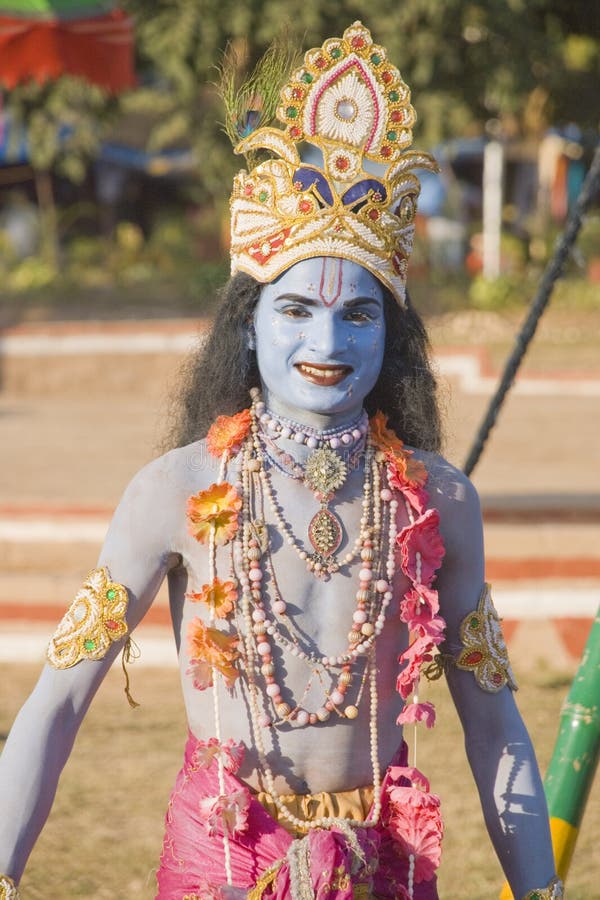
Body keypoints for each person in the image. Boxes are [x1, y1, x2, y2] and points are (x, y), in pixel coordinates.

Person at [0, 21, 562, 900]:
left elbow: (494, 725)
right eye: (294, 309)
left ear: (396, 334)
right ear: (247, 327)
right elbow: (60, 701)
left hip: (386, 868)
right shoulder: (175, 490)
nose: (326, 342)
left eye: (360, 316)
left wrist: (543, 890)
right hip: (219, 864)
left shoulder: (439, 500)